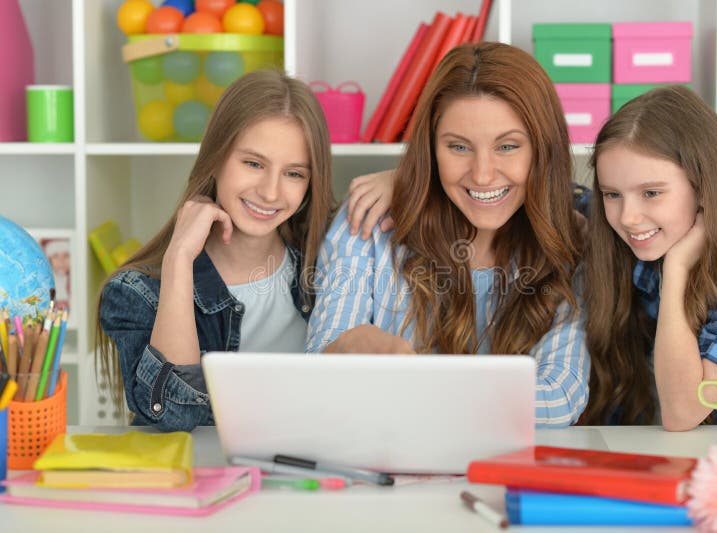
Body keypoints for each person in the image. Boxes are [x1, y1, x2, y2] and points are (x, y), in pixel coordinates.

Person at [307, 42, 590, 427]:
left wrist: (424, 390)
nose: (483, 174)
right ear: (431, 149)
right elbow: (321, 354)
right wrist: (346, 349)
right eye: (458, 147)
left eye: (507, 146)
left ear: (543, 150)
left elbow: (559, 397)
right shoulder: (369, 223)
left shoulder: (571, 240)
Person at [96, 70, 387, 432]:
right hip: (205, 481)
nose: (270, 192)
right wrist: (179, 260)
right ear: (216, 158)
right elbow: (172, 417)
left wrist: (401, 181)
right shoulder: (137, 293)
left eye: (294, 174)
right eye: (253, 164)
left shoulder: (332, 254)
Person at [581, 85, 717, 429]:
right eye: (612, 194)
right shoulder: (631, 235)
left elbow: (684, 410)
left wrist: (677, 271)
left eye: (651, 193)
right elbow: (556, 198)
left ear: (703, 186)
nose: (627, 217)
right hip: (656, 455)